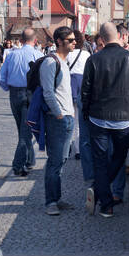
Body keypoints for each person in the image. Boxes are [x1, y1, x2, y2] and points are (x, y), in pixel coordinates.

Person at [81, 22, 129, 218]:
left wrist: (86, 114)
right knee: (120, 155)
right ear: (119, 36)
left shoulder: (93, 60)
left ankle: (106, 205)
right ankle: (101, 191)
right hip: (123, 120)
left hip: (98, 118)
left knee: (100, 162)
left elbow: (85, 92)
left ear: (101, 39)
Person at [40, 26, 78, 215]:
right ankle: (50, 202)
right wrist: (59, 114)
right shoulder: (50, 62)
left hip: (68, 117)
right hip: (58, 120)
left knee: (62, 160)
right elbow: (48, 93)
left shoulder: (65, 61)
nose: (74, 42)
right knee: (54, 161)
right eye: (71, 40)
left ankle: (57, 197)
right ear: (60, 42)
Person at [0, 28, 42, 177]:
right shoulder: (39, 55)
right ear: (35, 41)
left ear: (21, 40)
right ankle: (18, 165)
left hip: (15, 94)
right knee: (25, 132)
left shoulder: (12, 55)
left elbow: (1, 78)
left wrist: (9, 88)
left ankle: (30, 161)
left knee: (23, 130)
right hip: (31, 95)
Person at [65, 30, 91, 163]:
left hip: (70, 86)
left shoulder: (68, 54)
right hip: (83, 86)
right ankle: (79, 149)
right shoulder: (86, 54)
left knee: (71, 118)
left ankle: (68, 146)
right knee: (80, 122)